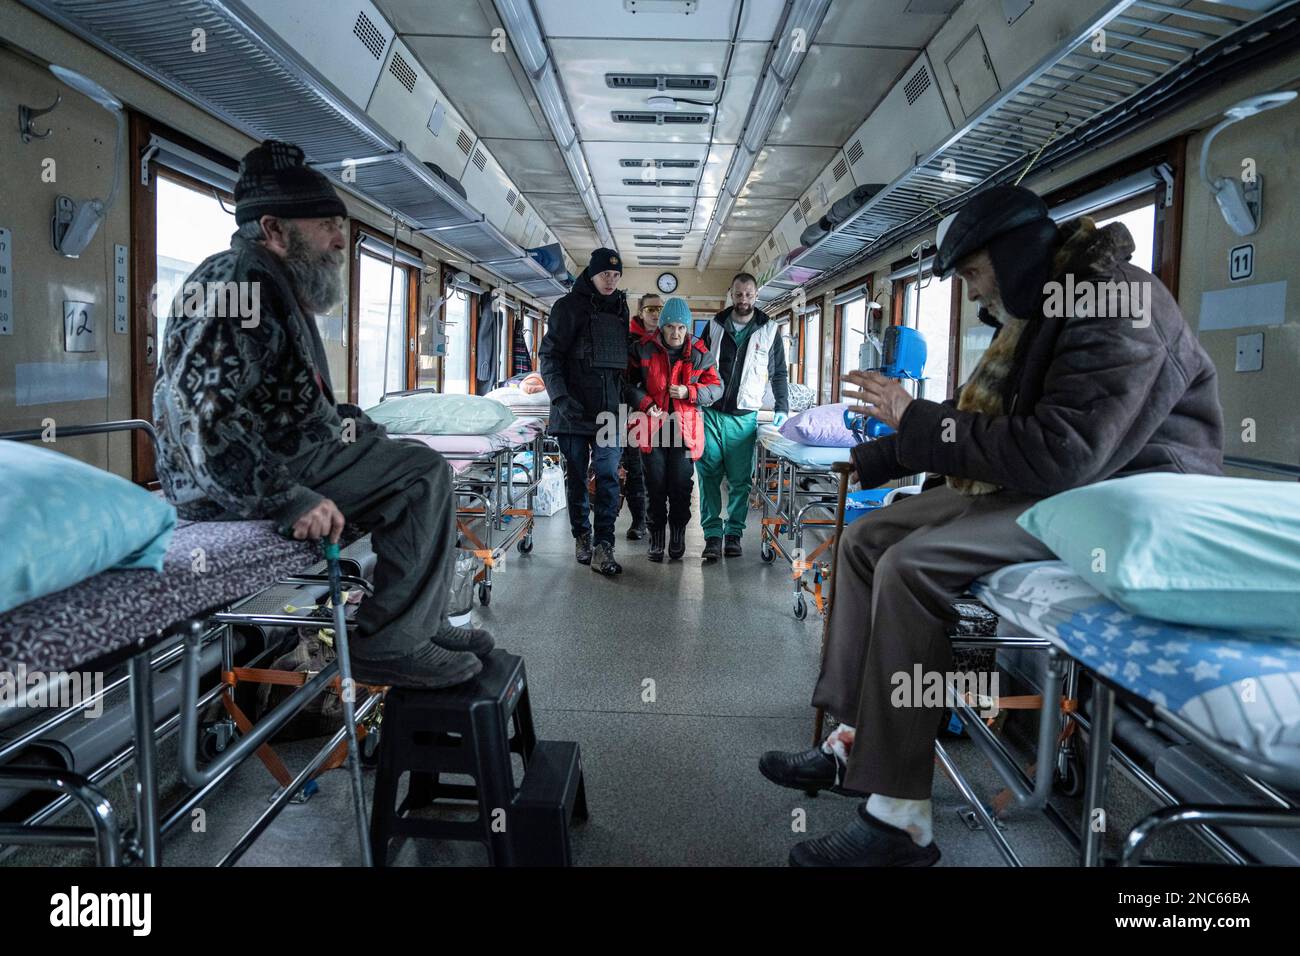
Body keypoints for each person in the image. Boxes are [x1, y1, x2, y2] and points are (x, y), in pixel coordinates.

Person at [758, 184, 1224, 866]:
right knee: (867, 539)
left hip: (1127, 499)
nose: (976, 295)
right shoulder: (1049, 308)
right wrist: (880, 452)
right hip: (1062, 486)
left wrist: (913, 419)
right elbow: (989, 416)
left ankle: (899, 824)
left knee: (912, 567)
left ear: (1015, 255)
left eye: (975, 273)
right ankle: (854, 739)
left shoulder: (1121, 304)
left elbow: (1061, 451)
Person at [153, 140, 489, 690]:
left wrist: (354, 425)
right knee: (421, 477)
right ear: (275, 230)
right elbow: (202, 419)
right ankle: (391, 644)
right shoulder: (239, 282)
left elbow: (287, 404)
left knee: (412, 460)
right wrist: (288, 499)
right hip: (228, 483)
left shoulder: (269, 281)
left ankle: (414, 625)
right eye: (327, 226)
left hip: (274, 457)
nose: (340, 240)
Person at [538, 248, 630, 576]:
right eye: (606, 274)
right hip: (572, 410)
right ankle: (582, 536)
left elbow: (621, 363)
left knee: (607, 476)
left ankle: (604, 543)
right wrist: (560, 398)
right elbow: (549, 356)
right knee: (576, 476)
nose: (611, 280)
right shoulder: (567, 307)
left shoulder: (620, 307)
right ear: (591, 273)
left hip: (609, 412)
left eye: (616, 275)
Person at [696, 273, 789, 562]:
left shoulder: (769, 329)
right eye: (738, 294)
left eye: (748, 294)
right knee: (707, 474)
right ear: (731, 293)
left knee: (740, 480)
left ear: (756, 294)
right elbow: (696, 365)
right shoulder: (714, 326)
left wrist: (782, 408)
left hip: (744, 416)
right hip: (711, 412)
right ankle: (712, 534)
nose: (743, 300)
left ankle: (733, 533)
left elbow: (779, 373)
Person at [626, 297, 723, 561]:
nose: (676, 333)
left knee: (681, 485)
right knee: (655, 484)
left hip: (684, 429)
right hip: (652, 426)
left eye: (681, 327)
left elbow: (716, 388)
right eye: (670, 327)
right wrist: (645, 403)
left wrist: (689, 391)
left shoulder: (701, 353)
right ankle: (656, 536)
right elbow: (627, 384)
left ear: (688, 327)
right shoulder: (642, 349)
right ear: (662, 326)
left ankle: (678, 533)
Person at [621, 293, 663, 540]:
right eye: (650, 309)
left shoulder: (669, 338)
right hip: (635, 411)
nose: (655, 314)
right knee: (636, 468)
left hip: (664, 415)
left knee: (659, 471)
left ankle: (654, 518)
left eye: (659, 308)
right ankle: (638, 521)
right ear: (640, 311)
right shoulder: (628, 340)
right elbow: (624, 381)